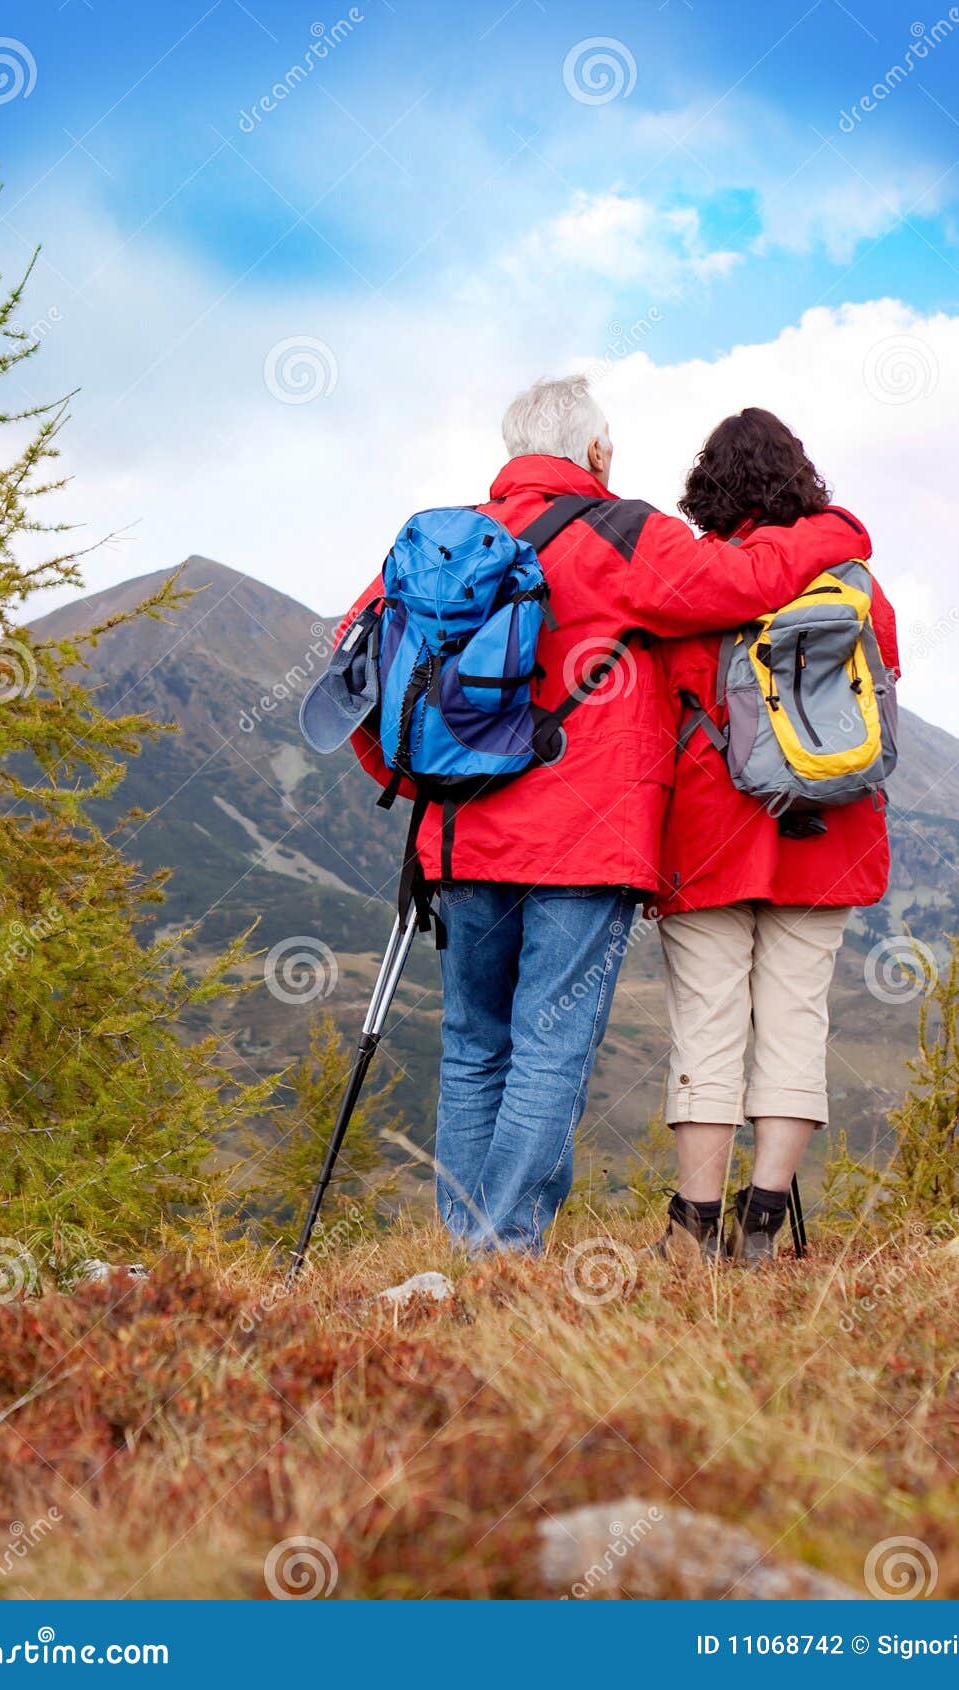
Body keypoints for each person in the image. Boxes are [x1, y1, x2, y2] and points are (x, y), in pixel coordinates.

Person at [345, 377, 873, 1254]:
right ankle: (503, 1250)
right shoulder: (626, 535)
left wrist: (414, 781)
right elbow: (746, 580)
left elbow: (358, 669)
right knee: (547, 1048)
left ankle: (468, 1249)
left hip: (457, 838)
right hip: (581, 849)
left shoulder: (437, 540)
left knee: (476, 1046)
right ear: (594, 451)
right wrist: (834, 529)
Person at [653, 407, 899, 1264]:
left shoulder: (698, 584)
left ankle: (694, 1230)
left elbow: (664, 711)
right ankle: (762, 1224)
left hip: (708, 840)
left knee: (707, 1026)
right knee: (797, 1023)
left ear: (707, 491)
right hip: (826, 835)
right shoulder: (856, 586)